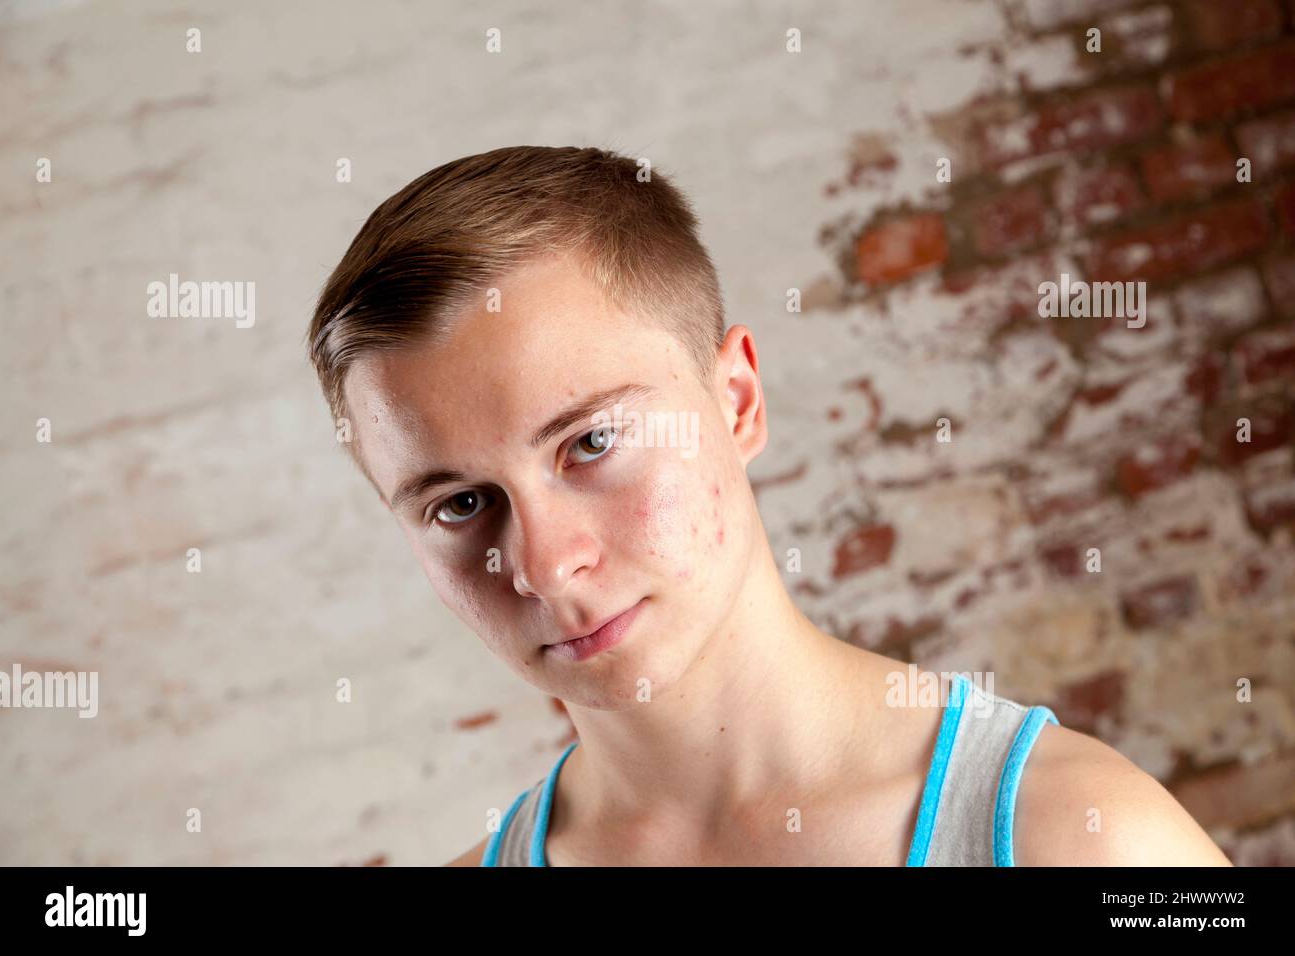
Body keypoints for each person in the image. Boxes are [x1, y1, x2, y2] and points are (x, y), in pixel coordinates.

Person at [306, 145, 1231, 867]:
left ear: (737, 401)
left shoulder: (1084, 841)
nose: (546, 564)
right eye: (463, 504)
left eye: (591, 444)